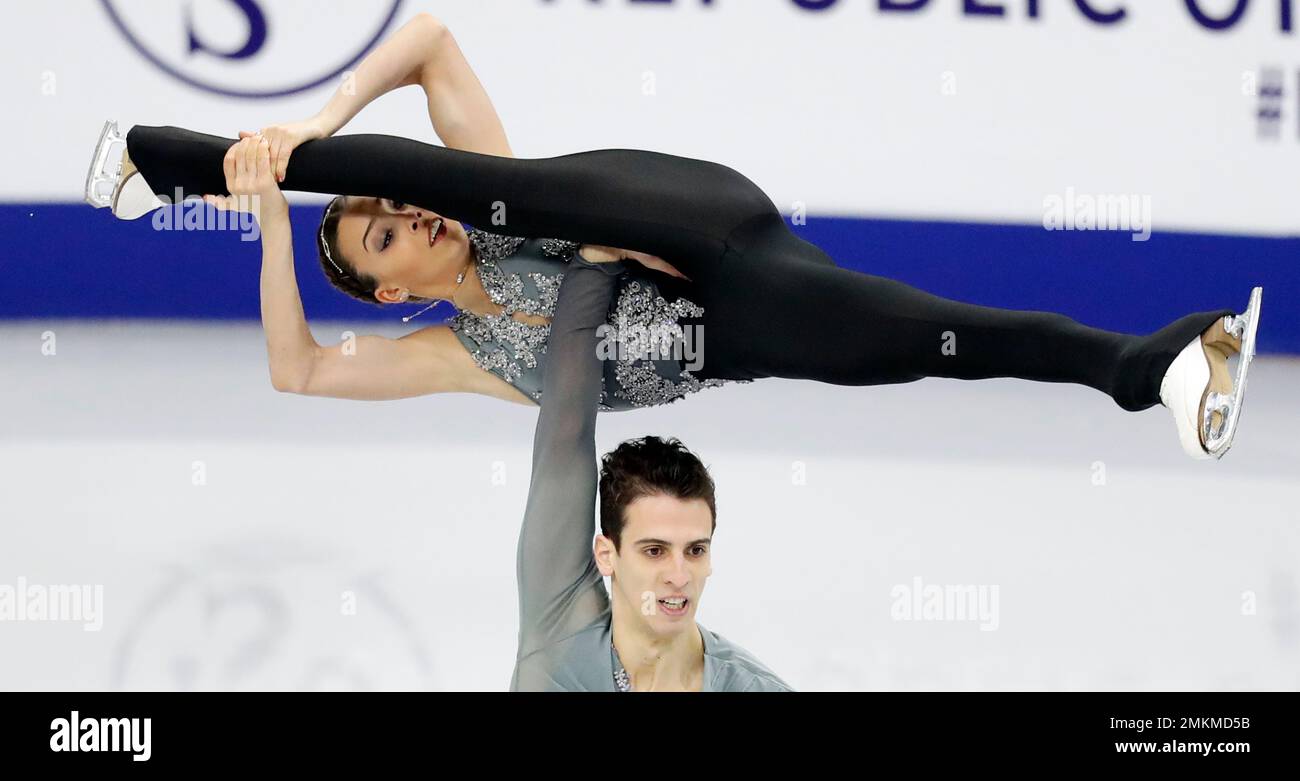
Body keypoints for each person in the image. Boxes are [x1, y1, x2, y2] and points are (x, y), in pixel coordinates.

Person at [85, 13, 1261, 458]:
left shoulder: (484, 202)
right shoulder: (455, 355)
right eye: (390, 239)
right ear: (393, 297)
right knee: (928, 338)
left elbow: (430, 39)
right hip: (745, 310)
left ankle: (162, 153)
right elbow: (294, 371)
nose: (409, 219)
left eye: (394, 210)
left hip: (671, 208)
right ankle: (1146, 366)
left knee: (506, 186)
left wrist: (317, 129)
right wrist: (271, 225)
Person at [511, 251, 790, 691]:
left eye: (695, 550)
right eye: (654, 550)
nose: (679, 576)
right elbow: (564, 433)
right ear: (607, 554)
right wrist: (594, 263)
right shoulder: (562, 626)